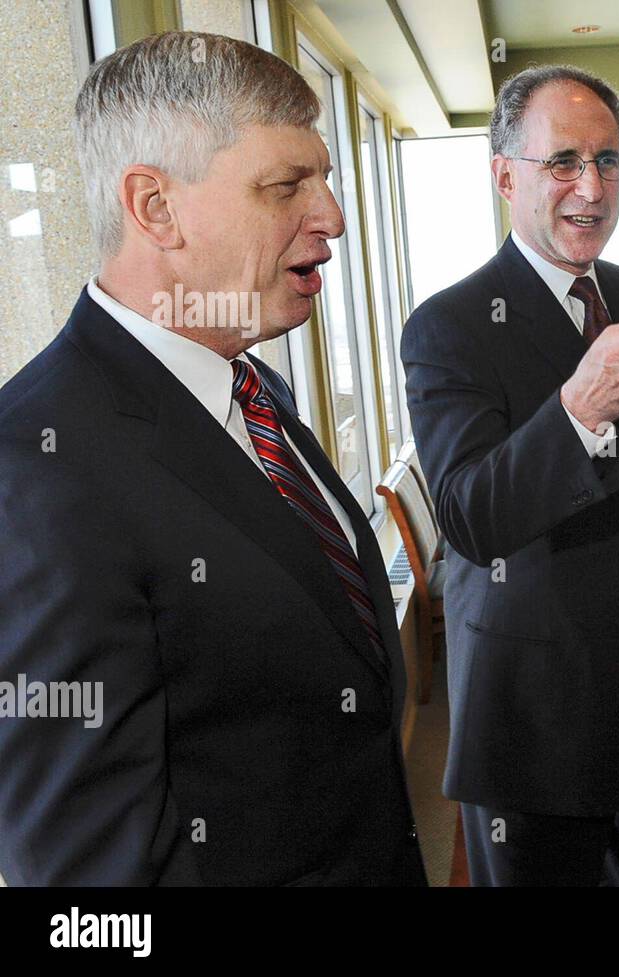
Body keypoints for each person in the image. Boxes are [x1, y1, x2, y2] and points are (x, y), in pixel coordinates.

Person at [0, 32, 425, 885]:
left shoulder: (258, 387)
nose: (333, 216)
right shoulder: (34, 467)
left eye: (328, 178)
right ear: (154, 207)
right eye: (286, 186)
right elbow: (91, 876)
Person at [401, 65, 619, 886]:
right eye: (563, 162)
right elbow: (470, 516)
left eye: (610, 159)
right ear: (504, 173)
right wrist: (579, 410)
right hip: (534, 719)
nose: (592, 185)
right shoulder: (448, 326)